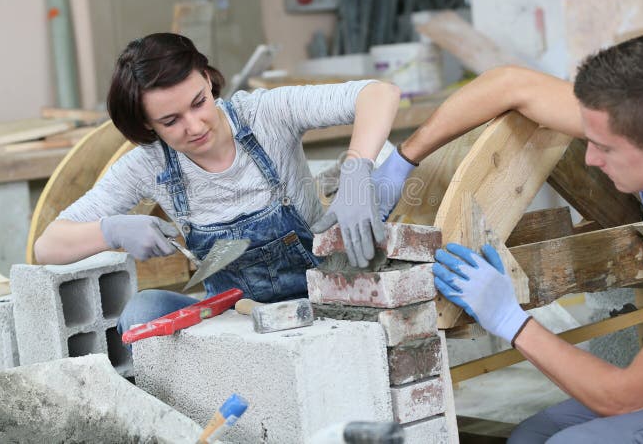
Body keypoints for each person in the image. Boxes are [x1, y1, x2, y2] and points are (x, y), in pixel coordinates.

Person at [373, 35, 643, 442]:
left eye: (604, 148)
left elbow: (621, 397)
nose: (590, 157)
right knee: (531, 436)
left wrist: (510, 319)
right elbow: (510, 85)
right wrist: (402, 161)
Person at [34, 33, 400, 335]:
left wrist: (356, 171)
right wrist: (110, 232)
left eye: (199, 102)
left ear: (208, 80)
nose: (194, 127)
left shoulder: (265, 114)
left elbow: (379, 93)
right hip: (232, 315)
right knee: (143, 312)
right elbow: (47, 246)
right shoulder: (149, 164)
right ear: (148, 126)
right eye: (170, 120)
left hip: (321, 298)